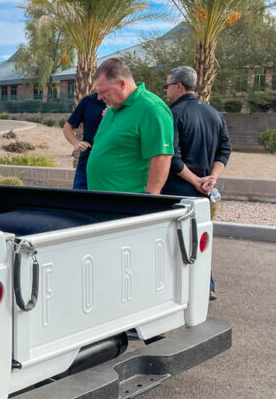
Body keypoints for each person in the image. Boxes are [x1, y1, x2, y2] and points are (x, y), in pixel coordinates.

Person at [162, 65, 232, 300]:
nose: (167, 91)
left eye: (168, 86)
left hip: (177, 189)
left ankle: (176, 292)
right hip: (204, 191)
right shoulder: (214, 114)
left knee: (175, 241)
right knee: (200, 239)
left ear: (179, 86)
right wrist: (212, 178)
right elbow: (225, 150)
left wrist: (196, 180)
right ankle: (207, 285)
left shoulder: (172, 113)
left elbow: (171, 156)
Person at [87, 58, 174, 194]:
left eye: (103, 91)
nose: (99, 97)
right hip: (101, 203)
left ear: (122, 84)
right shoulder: (112, 108)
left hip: (128, 206)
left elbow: (161, 157)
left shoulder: (151, 109)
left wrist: (148, 200)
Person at [62, 93, 106, 189]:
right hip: (84, 167)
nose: (100, 94)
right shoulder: (88, 101)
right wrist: (75, 143)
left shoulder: (124, 105)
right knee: (78, 202)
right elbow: (67, 127)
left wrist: (113, 116)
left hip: (110, 170)